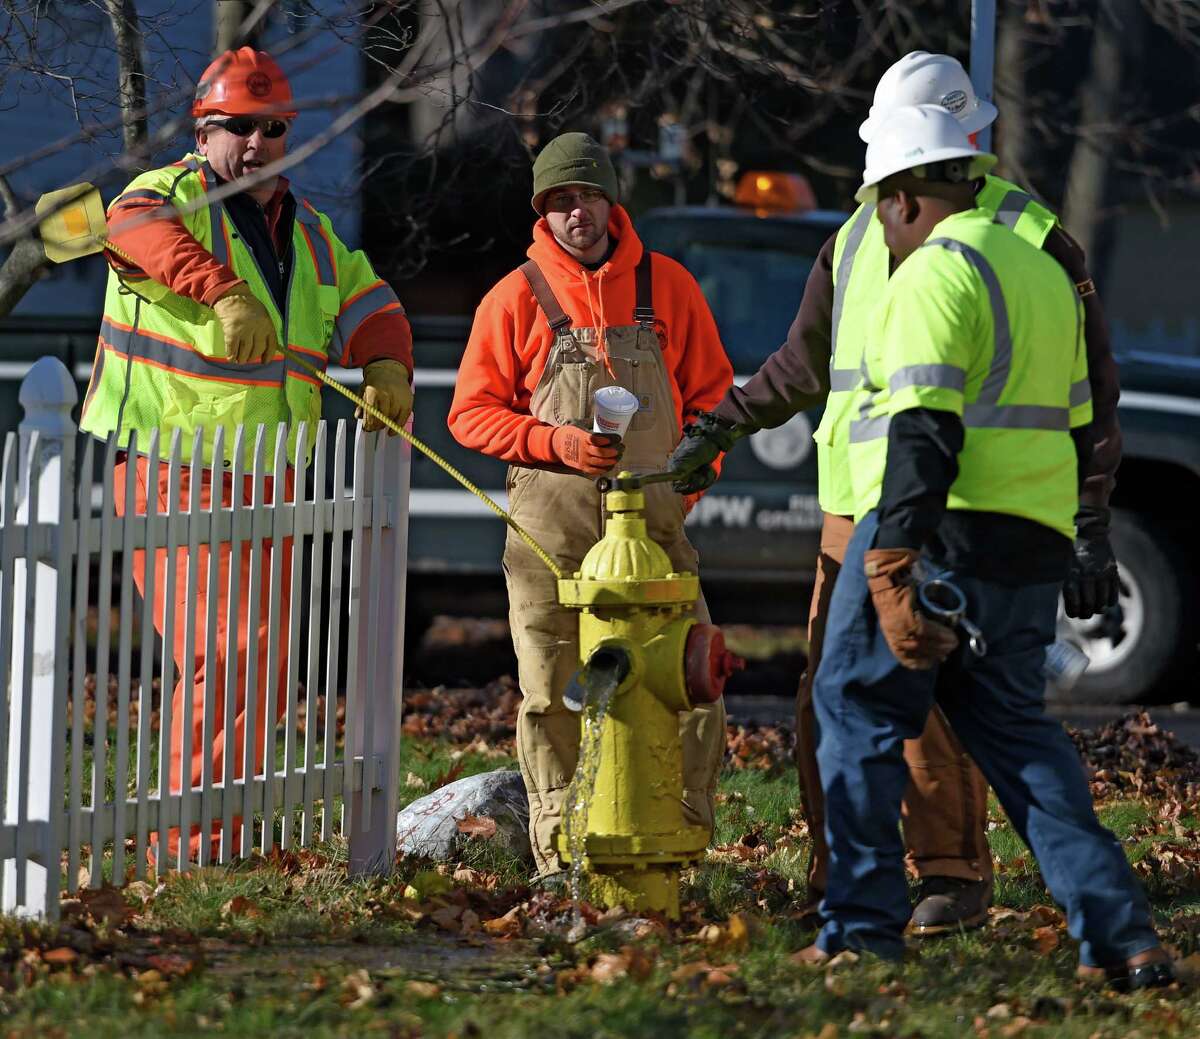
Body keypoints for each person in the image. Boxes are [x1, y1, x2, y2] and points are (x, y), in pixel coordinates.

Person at [667, 51, 1123, 934]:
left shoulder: (1026, 237)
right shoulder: (856, 235)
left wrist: (1089, 517)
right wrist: (725, 419)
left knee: (928, 704)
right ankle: (841, 880)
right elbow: (806, 361)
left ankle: (946, 878)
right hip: (856, 509)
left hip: (953, 508)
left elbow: (1089, 395)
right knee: (831, 702)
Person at [789, 104, 1172, 987]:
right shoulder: (1040, 271)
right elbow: (1084, 420)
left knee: (853, 711)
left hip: (938, 536)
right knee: (1016, 735)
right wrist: (1087, 534)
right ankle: (1120, 935)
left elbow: (923, 428)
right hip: (1026, 549)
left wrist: (891, 557)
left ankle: (859, 926)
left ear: (906, 194)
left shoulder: (936, 271)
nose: (882, 226)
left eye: (883, 204)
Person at [80, 47, 414, 862]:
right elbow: (126, 225)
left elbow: (372, 302)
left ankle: (216, 833)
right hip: (177, 464)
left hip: (270, 473)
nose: (259, 142)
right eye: (240, 126)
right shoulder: (174, 194)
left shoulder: (310, 233)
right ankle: (195, 846)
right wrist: (221, 289)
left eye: (274, 127)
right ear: (205, 131)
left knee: (258, 663)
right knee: (230, 653)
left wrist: (387, 363)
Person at [448, 132, 733, 877]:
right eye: (561, 201)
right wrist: (554, 442)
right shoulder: (515, 296)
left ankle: (681, 839)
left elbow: (711, 402)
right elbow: (469, 414)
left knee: (694, 679)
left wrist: (689, 483)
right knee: (552, 692)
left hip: (657, 537)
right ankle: (561, 853)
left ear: (613, 202)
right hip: (551, 534)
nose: (578, 212)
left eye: (589, 196)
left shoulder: (668, 286)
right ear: (544, 212)